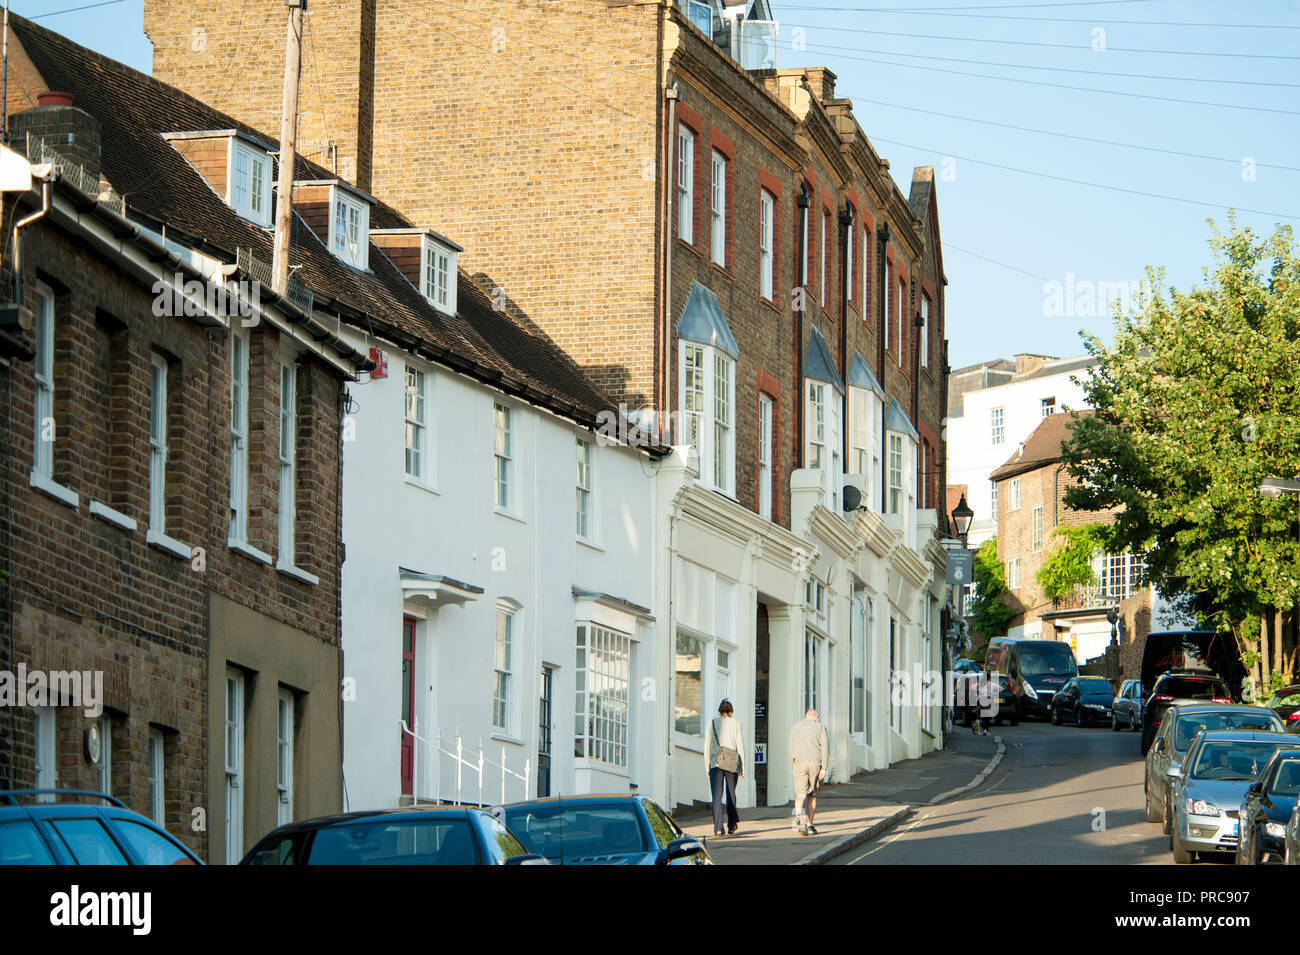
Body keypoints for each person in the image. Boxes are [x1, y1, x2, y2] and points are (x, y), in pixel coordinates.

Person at [705, 699, 744, 837]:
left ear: (719, 712)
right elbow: (740, 746)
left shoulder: (712, 723)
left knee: (716, 796)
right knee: (731, 794)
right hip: (732, 763)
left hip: (715, 763)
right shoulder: (736, 723)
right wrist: (742, 767)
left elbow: (707, 746)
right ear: (731, 712)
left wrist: (706, 766)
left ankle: (718, 828)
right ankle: (732, 824)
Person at [788, 709, 828, 836]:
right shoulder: (820, 727)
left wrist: (794, 760)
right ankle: (810, 825)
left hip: (799, 762)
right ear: (816, 718)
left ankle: (800, 823)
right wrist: (824, 767)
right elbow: (825, 748)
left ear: (805, 718)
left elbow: (791, 746)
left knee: (800, 795)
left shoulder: (795, 727)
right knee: (812, 795)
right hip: (815, 763)